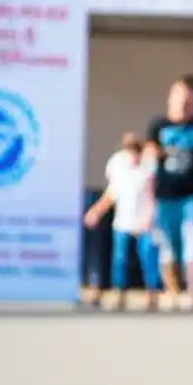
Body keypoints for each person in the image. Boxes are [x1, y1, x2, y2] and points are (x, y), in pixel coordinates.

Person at [146, 76, 193, 310]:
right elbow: (149, 159)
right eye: (180, 98)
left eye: (189, 100)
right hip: (166, 197)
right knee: (169, 246)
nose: (185, 104)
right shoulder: (158, 126)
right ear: (171, 99)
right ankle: (172, 291)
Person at [83, 133, 162, 311]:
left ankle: (152, 294)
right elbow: (111, 194)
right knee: (120, 259)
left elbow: (153, 195)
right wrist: (96, 211)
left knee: (148, 258)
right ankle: (119, 292)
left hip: (146, 223)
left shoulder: (149, 168)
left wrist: (149, 218)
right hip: (123, 222)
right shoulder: (119, 168)